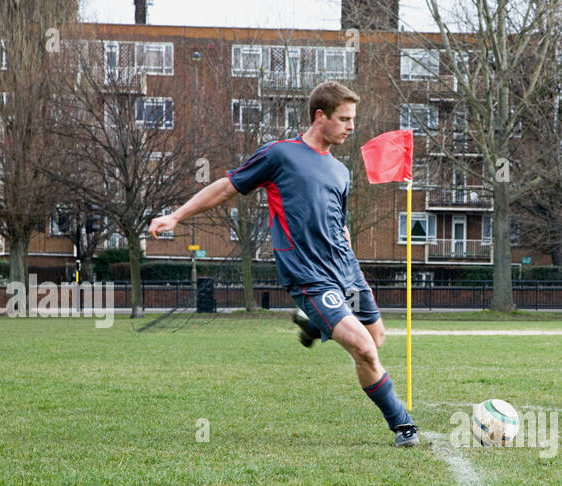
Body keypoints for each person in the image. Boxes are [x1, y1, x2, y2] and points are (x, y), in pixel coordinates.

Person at [147, 82, 418, 448]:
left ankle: (313, 322)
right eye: (344, 119)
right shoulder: (280, 155)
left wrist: (352, 266)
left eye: (353, 119)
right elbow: (227, 187)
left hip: (346, 270)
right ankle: (403, 425)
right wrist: (176, 216)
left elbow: (338, 223)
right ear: (320, 116)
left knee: (376, 339)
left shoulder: (341, 172)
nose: (351, 127)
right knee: (364, 350)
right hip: (308, 275)